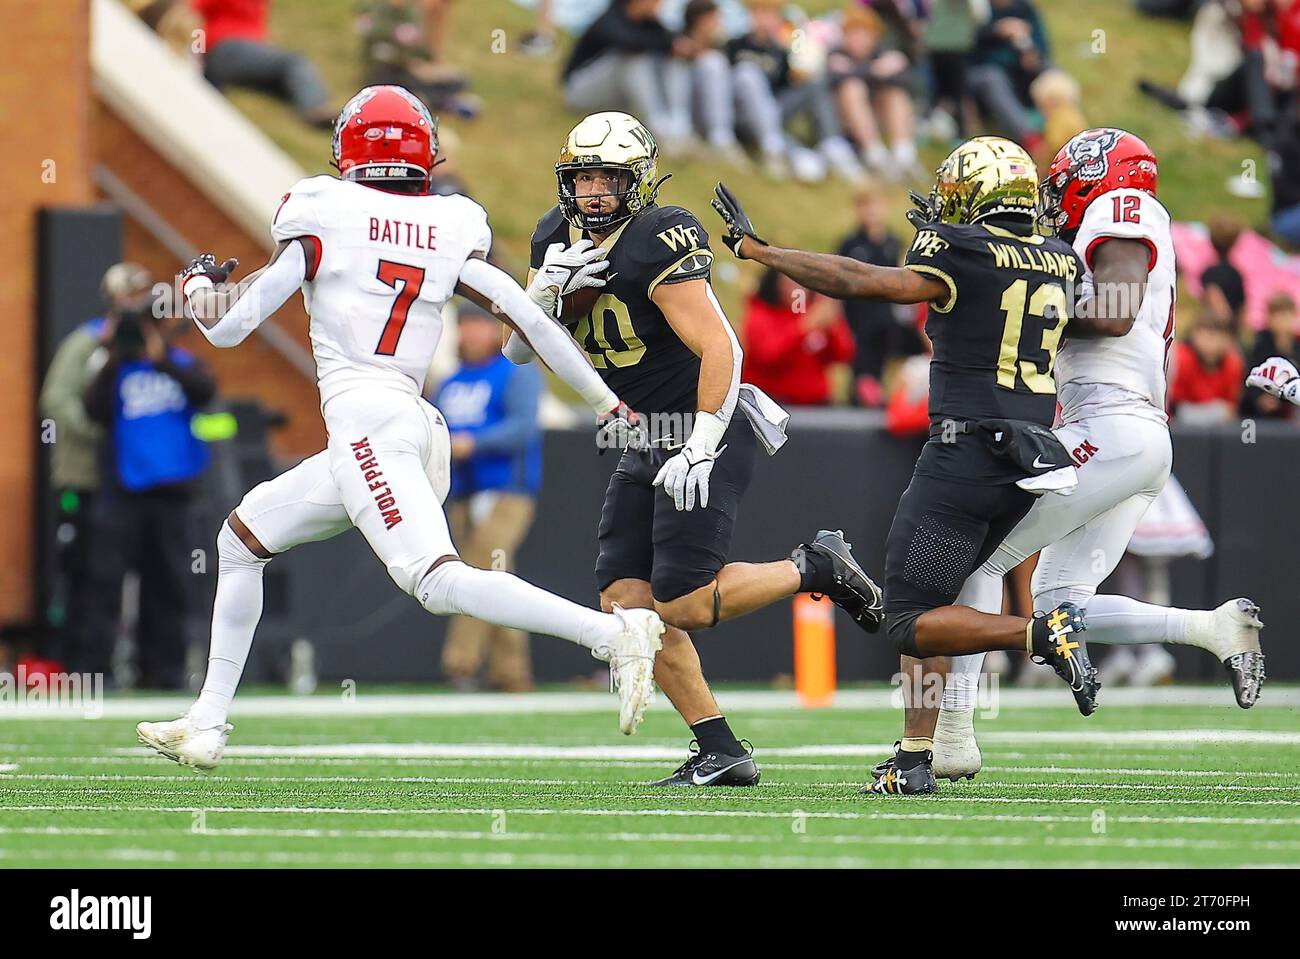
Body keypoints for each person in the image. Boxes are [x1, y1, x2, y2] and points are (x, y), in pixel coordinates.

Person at [137, 86, 667, 770]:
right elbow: (529, 318)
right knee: (241, 538)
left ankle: (613, 635)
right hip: (416, 422)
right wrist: (605, 400)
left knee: (438, 580)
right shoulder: (449, 222)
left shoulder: (323, 210)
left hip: (366, 422)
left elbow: (230, 324)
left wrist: (196, 288)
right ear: (427, 153)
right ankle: (207, 722)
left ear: (345, 150)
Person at [508, 111, 883, 787]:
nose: (592, 192)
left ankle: (817, 566)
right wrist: (538, 293)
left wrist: (703, 443)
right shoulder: (552, 235)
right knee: (626, 601)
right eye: (582, 177)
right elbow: (515, 350)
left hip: (706, 419)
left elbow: (722, 345)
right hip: (646, 432)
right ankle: (721, 748)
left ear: (639, 181)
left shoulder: (658, 234)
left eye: (608, 178)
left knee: (681, 601)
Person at [883, 129, 1264, 792]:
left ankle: (951, 738)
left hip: (1110, 427)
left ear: (1097, 175)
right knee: (1059, 600)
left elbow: (1113, 310)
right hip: (1133, 437)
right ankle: (1212, 627)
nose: (1054, 197)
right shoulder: (1101, 227)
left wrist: (1019, 296)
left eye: (1061, 184)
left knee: (978, 557)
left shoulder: (1127, 209)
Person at [714, 137, 1099, 765]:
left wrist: (765, 252)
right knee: (934, 605)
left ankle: (1038, 632)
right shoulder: (1061, 257)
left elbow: (860, 280)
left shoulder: (960, 251)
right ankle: (916, 756)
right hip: (1029, 456)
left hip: (965, 453)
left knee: (904, 616)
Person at [82, 272, 217, 689]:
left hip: (173, 493)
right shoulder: (116, 368)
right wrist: (116, 353)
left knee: (170, 583)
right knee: (105, 580)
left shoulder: (181, 364)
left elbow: (205, 391)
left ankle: (164, 669)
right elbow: (93, 409)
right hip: (124, 490)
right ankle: (97, 671)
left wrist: (159, 357)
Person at [38, 264, 152, 670]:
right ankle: (77, 662)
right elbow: (56, 399)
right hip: (84, 476)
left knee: (124, 575)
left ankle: (128, 663)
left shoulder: (146, 346)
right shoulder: (86, 342)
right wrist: (97, 434)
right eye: (132, 295)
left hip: (127, 481)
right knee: (83, 570)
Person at [435, 304, 545, 691]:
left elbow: (523, 427)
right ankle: (511, 674)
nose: (470, 334)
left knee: (479, 570)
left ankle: (460, 664)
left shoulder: (515, 372)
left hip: (506, 491)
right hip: (463, 493)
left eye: (478, 326)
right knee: (495, 576)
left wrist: (473, 443)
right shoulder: (450, 382)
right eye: (464, 326)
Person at [561, 0, 697, 155]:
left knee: (673, 59)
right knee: (633, 59)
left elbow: (672, 44)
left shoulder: (650, 24)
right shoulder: (611, 18)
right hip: (579, 92)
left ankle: (679, 127)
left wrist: (675, 45)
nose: (661, 5)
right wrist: (668, 44)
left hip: (614, 100)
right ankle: (660, 130)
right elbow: (629, 42)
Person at [194, 0, 336, 128]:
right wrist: (197, 49)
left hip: (224, 53)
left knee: (208, 109)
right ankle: (315, 107)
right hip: (224, 48)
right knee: (293, 64)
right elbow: (191, 10)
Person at [825, 3, 921, 180]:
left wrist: (866, 69)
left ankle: (904, 155)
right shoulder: (835, 54)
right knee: (852, 88)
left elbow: (908, 82)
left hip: (878, 116)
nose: (859, 40)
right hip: (843, 125)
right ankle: (875, 156)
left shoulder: (883, 53)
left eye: (865, 34)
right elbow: (836, 78)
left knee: (895, 93)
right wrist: (874, 70)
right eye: (854, 34)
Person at [834, 182, 909, 406]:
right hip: (858, 321)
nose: (871, 211)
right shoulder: (850, 244)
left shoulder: (893, 243)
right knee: (861, 373)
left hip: (886, 320)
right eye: (865, 205)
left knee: (884, 368)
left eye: (875, 205)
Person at [740, 268, 855, 406]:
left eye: (802, 283)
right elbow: (768, 355)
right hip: (771, 402)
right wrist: (804, 328)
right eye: (789, 283)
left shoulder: (813, 311)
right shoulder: (761, 312)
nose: (797, 290)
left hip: (815, 403)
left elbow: (843, 354)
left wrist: (833, 327)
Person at [966, 0, 1050, 153]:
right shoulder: (977, 9)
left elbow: (1042, 47)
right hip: (982, 75)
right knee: (992, 78)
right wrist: (996, 32)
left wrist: (1032, 57)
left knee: (1052, 73)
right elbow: (966, 45)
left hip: (1022, 74)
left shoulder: (1025, 9)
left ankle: (1064, 132)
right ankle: (1030, 138)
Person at [1168, 316, 1245, 424]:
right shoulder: (1180, 358)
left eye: (1218, 335)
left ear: (1228, 339)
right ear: (1194, 335)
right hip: (1179, 421)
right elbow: (1173, 405)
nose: (1211, 342)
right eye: (1208, 334)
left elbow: (1231, 408)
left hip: (1219, 427)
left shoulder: (1233, 364)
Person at [1242, 292, 1300, 418]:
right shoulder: (1260, 343)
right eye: (1277, 316)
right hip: (1262, 410)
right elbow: (1252, 375)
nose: (1281, 322)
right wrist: (1259, 398)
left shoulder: (1297, 346)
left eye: (1285, 315)